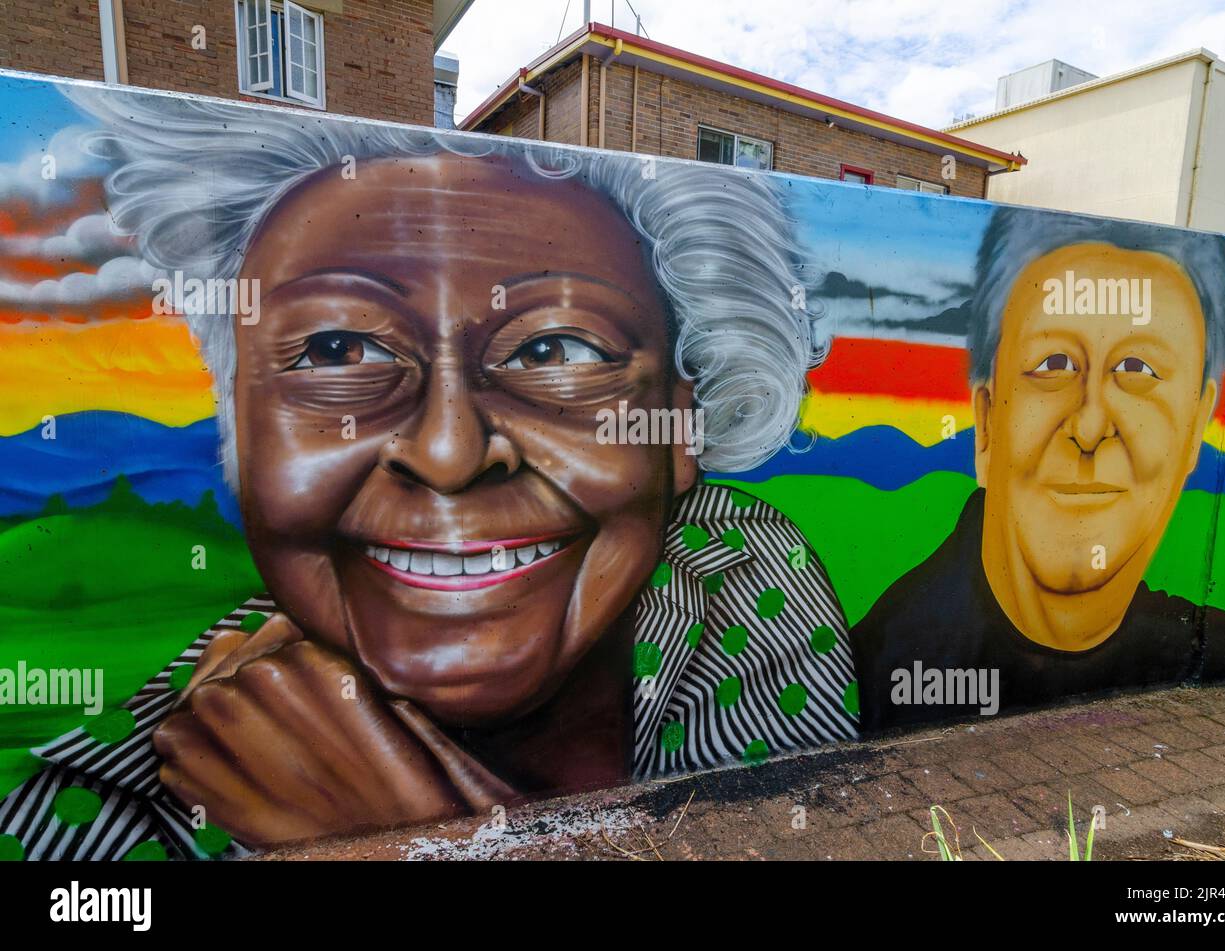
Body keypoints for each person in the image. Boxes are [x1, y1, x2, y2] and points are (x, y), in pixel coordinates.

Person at [0, 86, 858, 860]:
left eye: (554, 349)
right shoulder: (103, 820)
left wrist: (414, 834)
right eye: (338, 349)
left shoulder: (737, 568)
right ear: (241, 429)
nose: (448, 454)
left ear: (681, 429)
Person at [851, 207, 1225, 732]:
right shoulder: (866, 678)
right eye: (1053, 365)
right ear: (987, 422)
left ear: (1196, 425)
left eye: (1138, 369)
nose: (1089, 427)